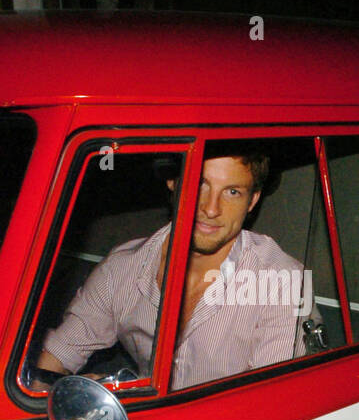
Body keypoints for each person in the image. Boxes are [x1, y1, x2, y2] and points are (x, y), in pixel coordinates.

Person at [29, 144, 316, 392]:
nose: (211, 208)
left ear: (252, 200)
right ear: (173, 182)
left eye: (231, 191)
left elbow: (271, 407)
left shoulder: (282, 284)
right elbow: (54, 360)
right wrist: (72, 393)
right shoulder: (122, 268)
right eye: (199, 183)